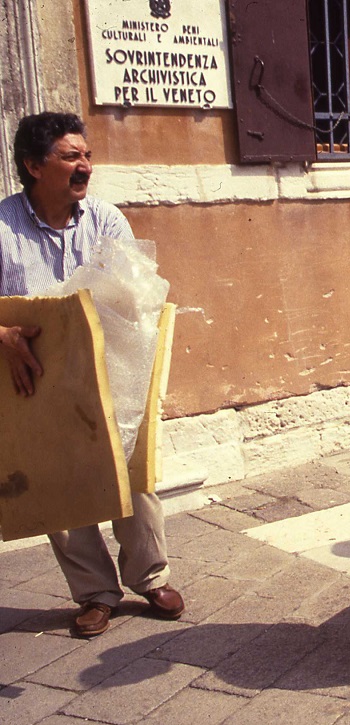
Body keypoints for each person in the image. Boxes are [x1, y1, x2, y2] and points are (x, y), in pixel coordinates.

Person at [0, 112, 184, 638]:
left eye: (86, 156)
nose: (85, 166)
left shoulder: (105, 219)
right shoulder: (2, 226)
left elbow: (137, 291)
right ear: (35, 166)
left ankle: (150, 576)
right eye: (70, 156)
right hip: (31, 375)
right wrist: (3, 336)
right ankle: (95, 593)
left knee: (132, 471)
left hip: (110, 371)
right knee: (58, 481)